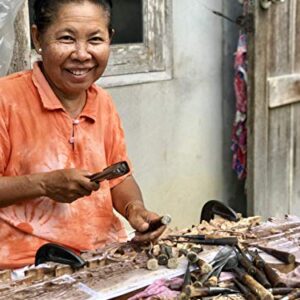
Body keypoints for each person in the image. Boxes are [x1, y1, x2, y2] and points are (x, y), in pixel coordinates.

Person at [0, 0, 165, 269]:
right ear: (37, 37)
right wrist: (43, 184)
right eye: (66, 38)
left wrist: (134, 209)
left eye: (95, 40)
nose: (82, 54)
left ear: (109, 39)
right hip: (26, 267)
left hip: (103, 258)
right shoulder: (6, 99)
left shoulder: (103, 102)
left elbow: (118, 177)